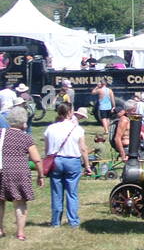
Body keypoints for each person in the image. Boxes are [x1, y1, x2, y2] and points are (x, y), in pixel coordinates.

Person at [44, 102, 91, 228]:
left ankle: (55, 221)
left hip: (56, 161)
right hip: (72, 161)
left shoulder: (50, 128)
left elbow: (47, 149)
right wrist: (87, 165)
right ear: (70, 112)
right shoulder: (77, 129)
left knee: (56, 192)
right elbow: (83, 149)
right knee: (72, 193)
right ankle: (73, 221)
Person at [0, 106, 44, 240]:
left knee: (0, 201)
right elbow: (36, 159)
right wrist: (40, 175)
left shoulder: (1, 133)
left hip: (2, 170)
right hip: (19, 172)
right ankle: (20, 233)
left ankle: (0, 230)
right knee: (20, 202)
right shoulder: (26, 138)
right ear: (23, 122)